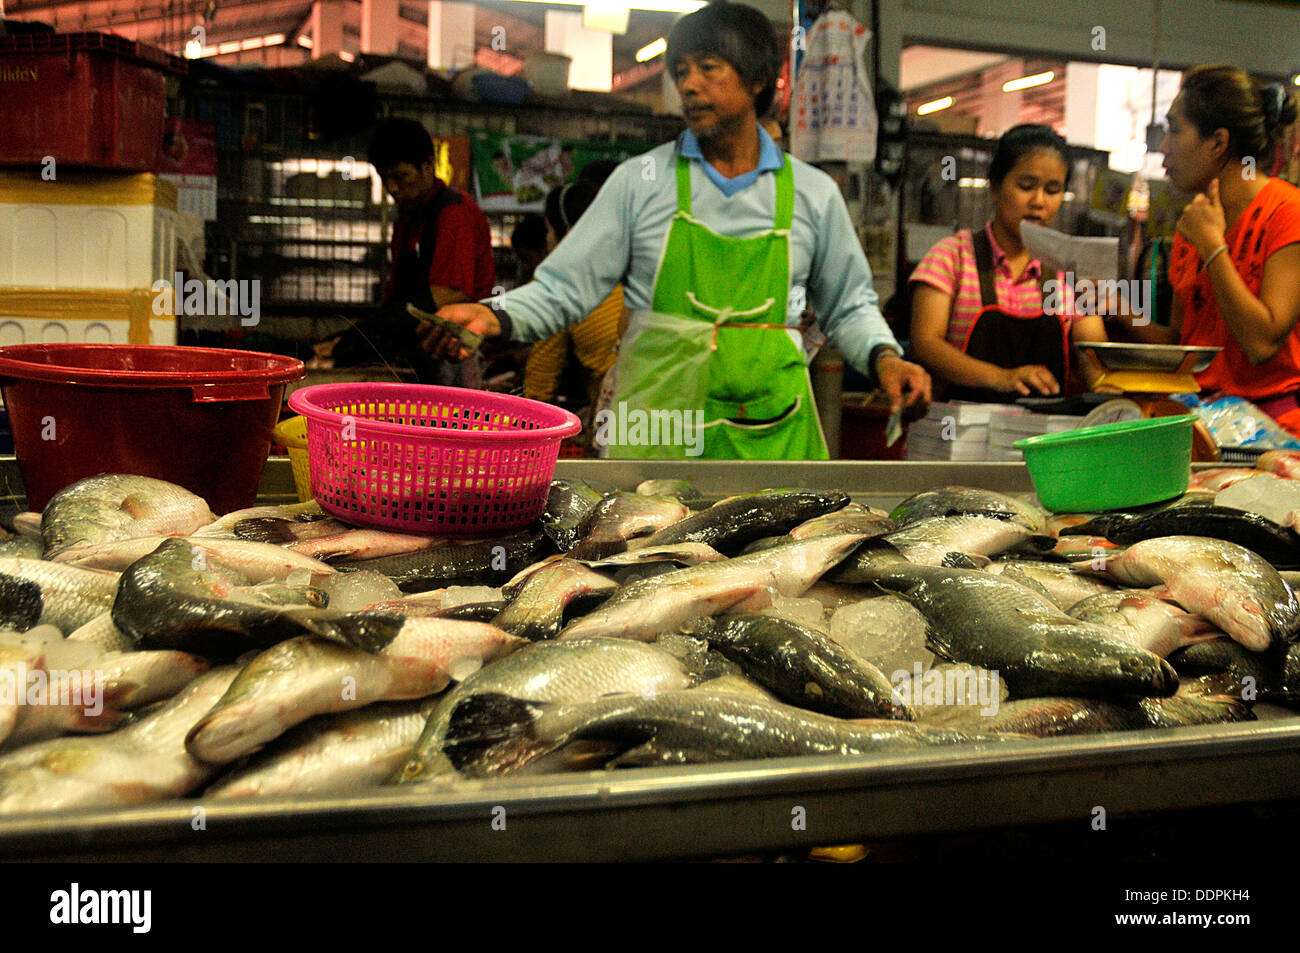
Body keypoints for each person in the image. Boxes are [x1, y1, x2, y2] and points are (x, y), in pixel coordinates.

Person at [421, 0, 928, 460]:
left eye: (708, 68)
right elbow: (563, 289)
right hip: (657, 435)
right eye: (681, 71)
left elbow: (849, 304)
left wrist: (886, 358)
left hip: (772, 437)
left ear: (756, 80)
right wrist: (492, 316)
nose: (689, 84)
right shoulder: (640, 183)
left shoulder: (812, 195)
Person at [1120, 66, 1300, 435]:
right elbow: (1185, 346)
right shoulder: (1194, 221)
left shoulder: (1288, 213)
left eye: (1174, 130)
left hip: (1273, 436)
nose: (1164, 147)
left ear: (1218, 142)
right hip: (1201, 425)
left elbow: (1261, 343)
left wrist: (1214, 248)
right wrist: (1122, 315)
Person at [909, 124, 1109, 401]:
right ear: (995, 187)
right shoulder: (951, 257)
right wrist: (1002, 378)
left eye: (1052, 190)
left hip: (1043, 438)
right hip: (958, 434)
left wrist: (1112, 393)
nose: (1038, 201)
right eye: (1026, 186)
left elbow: (1094, 356)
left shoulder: (1070, 271)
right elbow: (925, 343)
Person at [331, 118, 496, 384]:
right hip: (422, 344)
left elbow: (449, 294)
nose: (393, 188)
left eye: (401, 176)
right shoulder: (408, 218)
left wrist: (376, 329)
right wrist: (362, 334)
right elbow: (398, 289)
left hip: (457, 348)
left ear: (428, 165)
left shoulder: (454, 211)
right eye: (385, 178)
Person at [524, 174, 625, 408]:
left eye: (549, 231)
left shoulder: (558, 286)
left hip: (625, 413)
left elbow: (540, 386)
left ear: (569, 235)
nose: (548, 241)